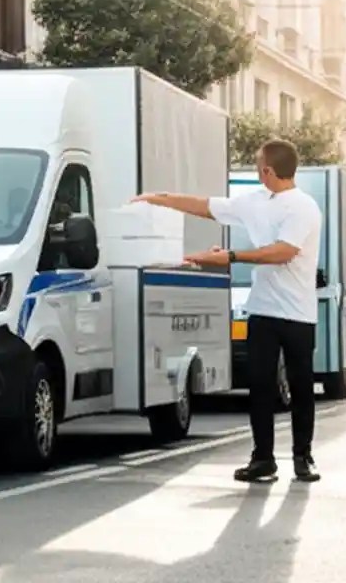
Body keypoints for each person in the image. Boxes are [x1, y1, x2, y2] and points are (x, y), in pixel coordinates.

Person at [132, 139, 323, 483]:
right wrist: (160, 199)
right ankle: (263, 459)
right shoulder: (254, 202)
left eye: (258, 164)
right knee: (260, 387)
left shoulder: (303, 207)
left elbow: (283, 252)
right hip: (263, 312)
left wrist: (230, 257)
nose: (255, 168)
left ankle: (302, 457)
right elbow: (206, 206)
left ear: (267, 171)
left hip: (298, 315)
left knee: (301, 388)